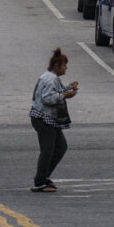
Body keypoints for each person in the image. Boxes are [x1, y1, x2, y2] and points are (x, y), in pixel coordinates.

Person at [29, 48, 78, 191]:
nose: (66, 68)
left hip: (48, 119)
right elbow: (47, 98)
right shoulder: (51, 79)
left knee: (61, 147)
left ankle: (43, 176)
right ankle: (40, 182)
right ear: (57, 66)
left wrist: (69, 87)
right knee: (47, 151)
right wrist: (65, 95)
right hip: (44, 119)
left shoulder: (50, 77)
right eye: (64, 65)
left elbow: (58, 89)